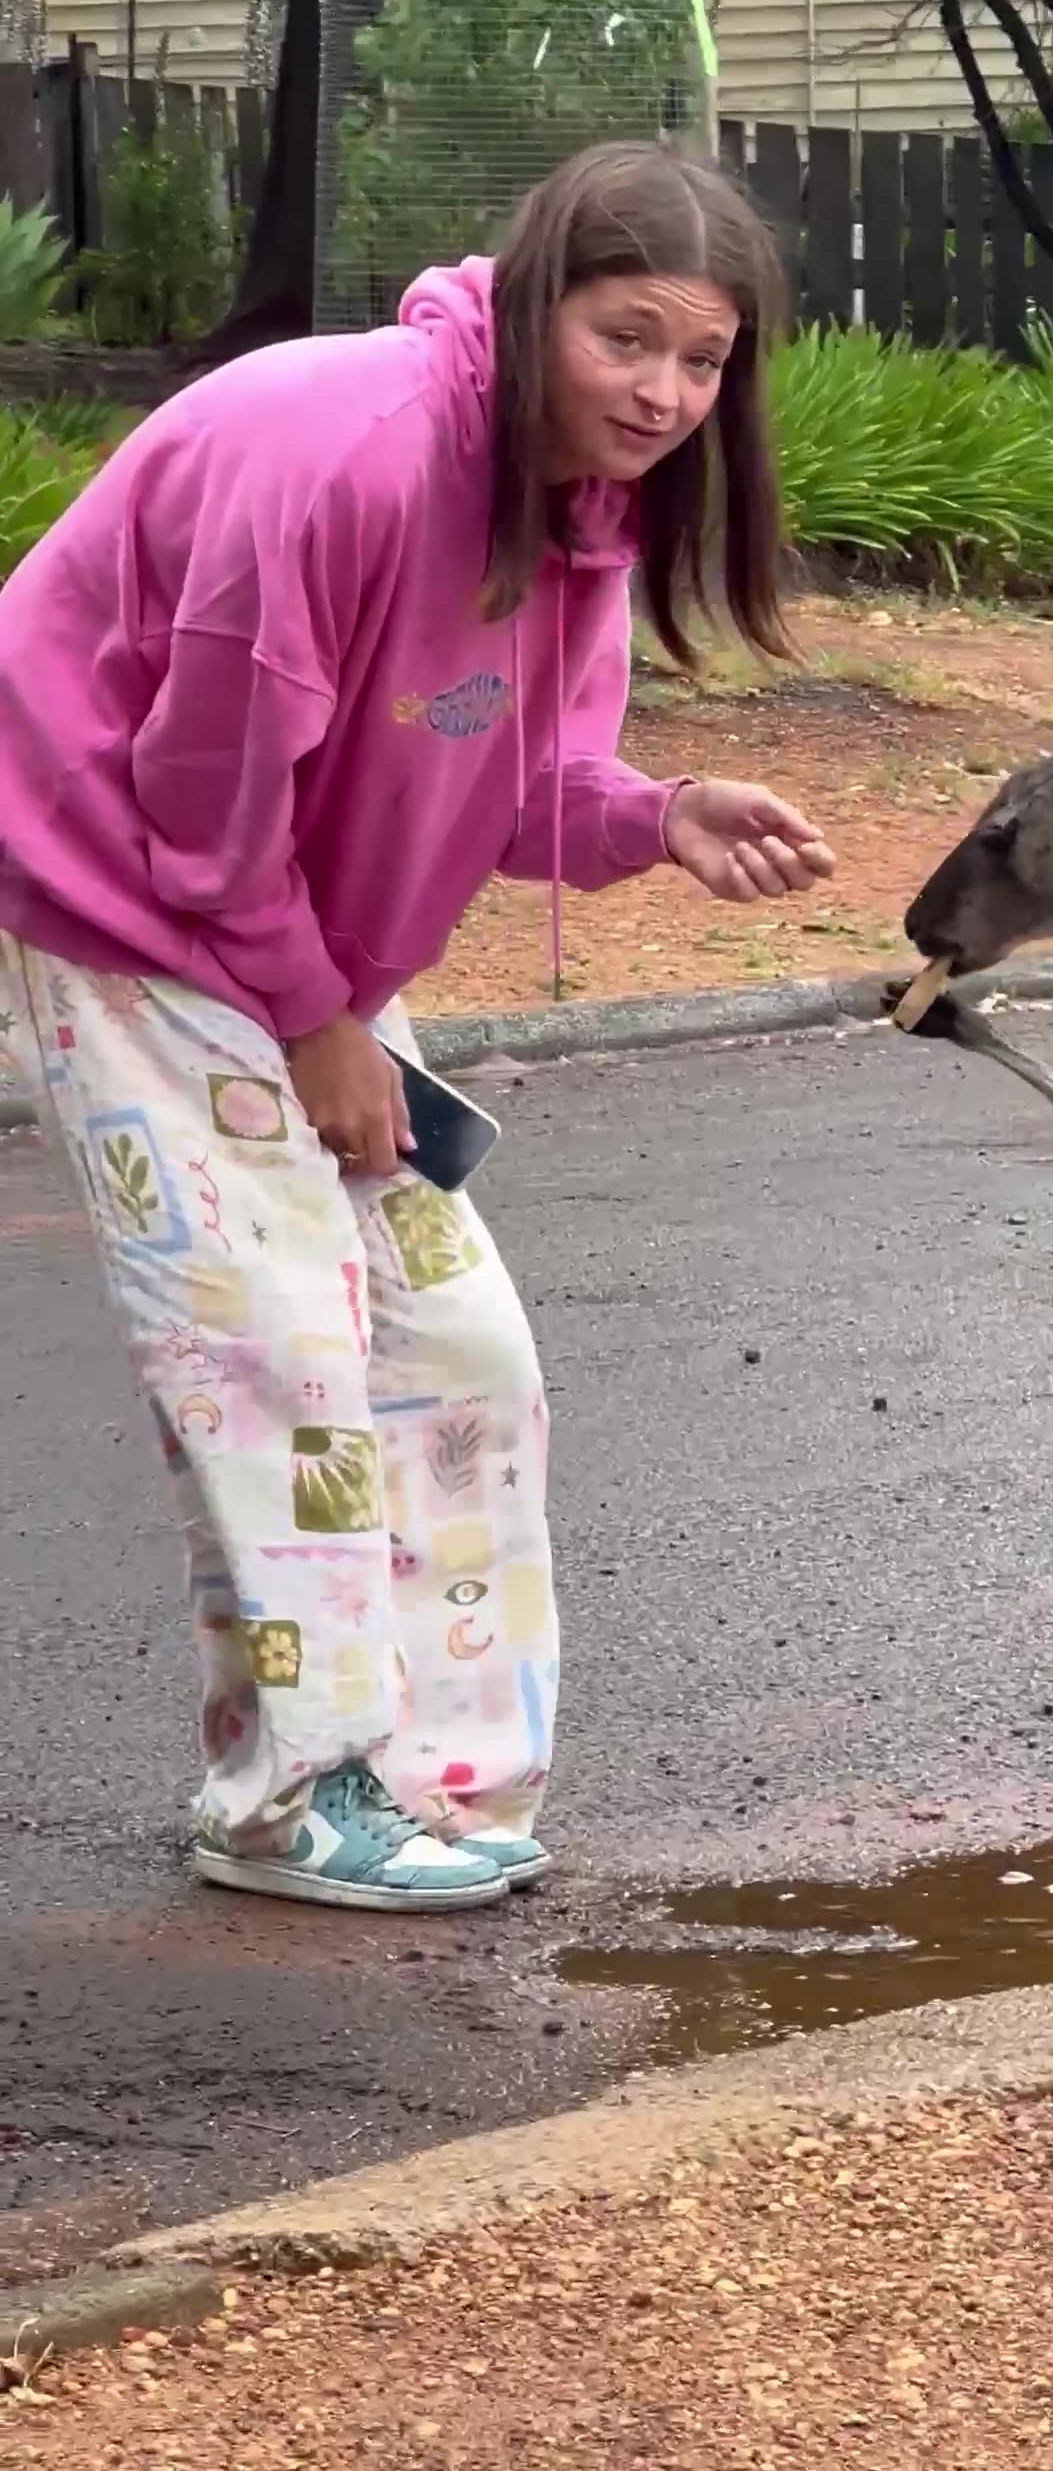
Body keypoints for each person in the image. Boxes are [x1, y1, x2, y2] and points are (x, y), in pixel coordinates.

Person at [0, 138, 832, 1914]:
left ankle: (438, 1780)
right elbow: (201, 806)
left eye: (704, 361)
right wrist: (320, 1027)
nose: (665, 394)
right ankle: (288, 1802)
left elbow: (501, 775)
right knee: (278, 1360)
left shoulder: (581, 509)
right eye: (628, 338)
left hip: (288, 935)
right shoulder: (350, 452)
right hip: (125, 906)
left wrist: (658, 815)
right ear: (536, 306)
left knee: (458, 1352)